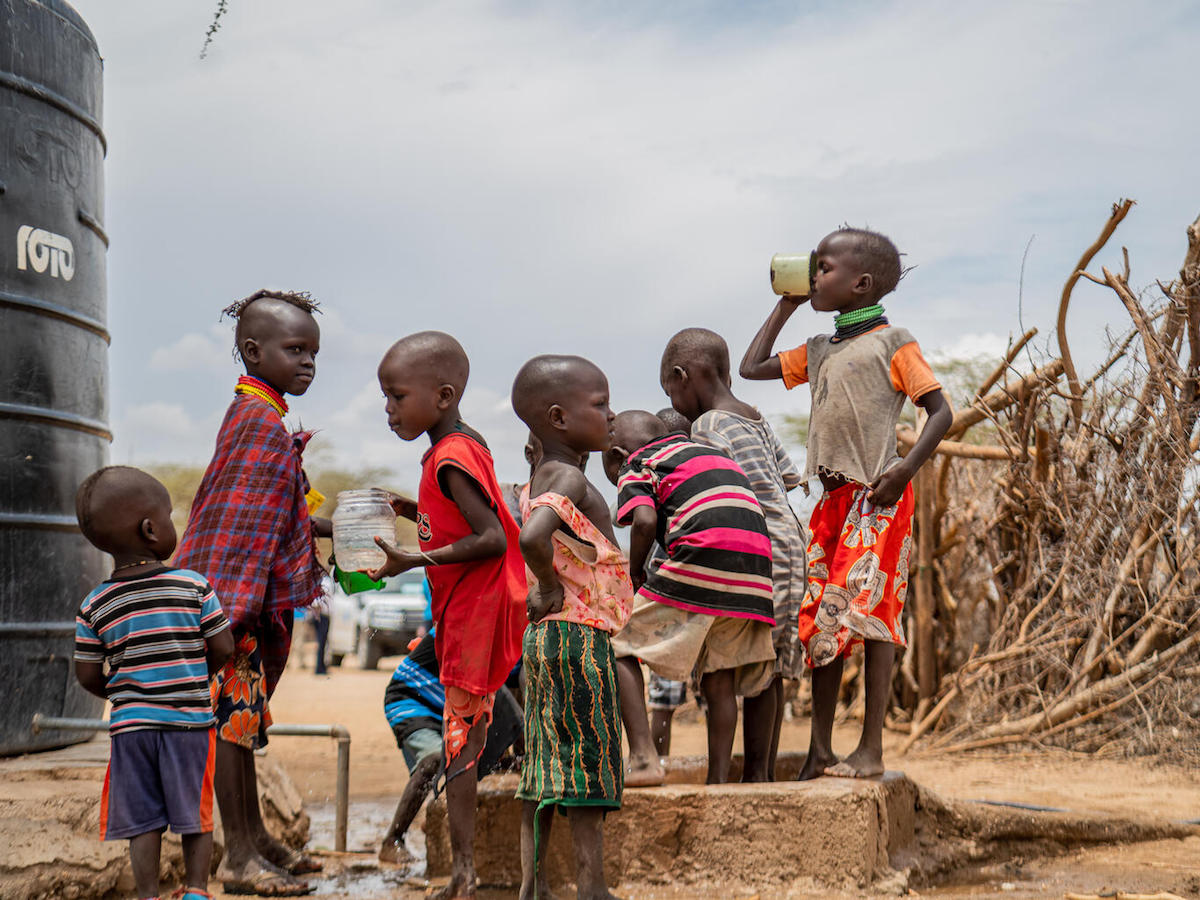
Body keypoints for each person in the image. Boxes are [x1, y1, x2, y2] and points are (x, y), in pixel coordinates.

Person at [740, 226, 952, 779]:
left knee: (872, 615)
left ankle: (872, 750)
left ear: (859, 284)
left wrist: (904, 470)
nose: (814, 277)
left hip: (877, 496)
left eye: (823, 269)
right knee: (819, 622)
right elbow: (751, 367)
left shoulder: (893, 342)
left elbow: (940, 413)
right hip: (831, 504)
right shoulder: (819, 349)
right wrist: (787, 305)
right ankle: (820, 750)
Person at [175, 289, 329, 897]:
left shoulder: (262, 416)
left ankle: (257, 838)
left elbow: (275, 512)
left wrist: (337, 524)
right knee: (230, 726)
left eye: (314, 352)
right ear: (252, 351)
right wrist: (230, 611)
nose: (308, 363)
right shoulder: (258, 424)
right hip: (227, 606)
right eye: (296, 350)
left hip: (230, 605)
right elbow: (235, 529)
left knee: (239, 724)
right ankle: (239, 856)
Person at [368, 331, 527, 900]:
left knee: (459, 744)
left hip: (475, 611)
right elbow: (465, 519)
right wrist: (413, 512)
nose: (388, 409)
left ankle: (463, 875)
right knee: (472, 733)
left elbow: (489, 538)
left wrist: (412, 557)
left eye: (396, 396)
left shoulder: (452, 456)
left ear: (442, 394)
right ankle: (465, 869)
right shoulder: (459, 446)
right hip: (481, 607)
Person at [73, 466, 235, 900]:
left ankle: (148, 894)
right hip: (189, 725)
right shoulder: (193, 586)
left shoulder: (94, 603)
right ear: (150, 529)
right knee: (194, 813)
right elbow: (223, 647)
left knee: (143, 820)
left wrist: (128, 694)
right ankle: (197, 890)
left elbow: (87, 673)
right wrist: (193, 679)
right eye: (168, 516)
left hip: (131, 730)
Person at [660, 326, 806, 782]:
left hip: (753, 550)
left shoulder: (707, 427)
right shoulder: (755, 418)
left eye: (670, 390)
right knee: (772, 666)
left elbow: (712, 495)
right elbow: (788, 478)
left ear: (684, 376)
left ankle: (744, 778)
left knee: (744, 663)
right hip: (789, 543)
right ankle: (759, 774)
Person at [511, 355, 632, 900]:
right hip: (578, 637)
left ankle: (532, 887)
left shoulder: (541, 475)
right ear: (558, 417)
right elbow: (534, 538)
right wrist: (548, 585)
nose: (611, 415)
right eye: (600, 404)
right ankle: (592, 887)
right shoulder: (568, 476)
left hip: (544, 641)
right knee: (590, 761)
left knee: (542, 765)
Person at [603, 410, 777, 785]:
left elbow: (645, 521)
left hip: (704, 557)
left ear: (616, 455)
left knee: (616, 644)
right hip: (755, 572)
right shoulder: (707, 454)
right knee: (719, 677)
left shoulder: (638, 464)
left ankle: (646, 759)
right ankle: (717, 781)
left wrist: (636, 572)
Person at [379, 631, 524, 865]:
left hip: (451, 708)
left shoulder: (512, 642)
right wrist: (522, 748)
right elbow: (512, 712)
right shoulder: (468, 628)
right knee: (434, 760)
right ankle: (393, 840)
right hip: (412, 701)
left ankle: (438, 812)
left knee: (488, 761)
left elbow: (517, 692)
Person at [645, 407, 693, 756]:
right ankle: (719, 772)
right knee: (720, 684)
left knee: (663, 697)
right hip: (705, 592)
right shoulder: (699, 475)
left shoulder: (656, 480)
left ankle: (657, 762)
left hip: (669, 598)